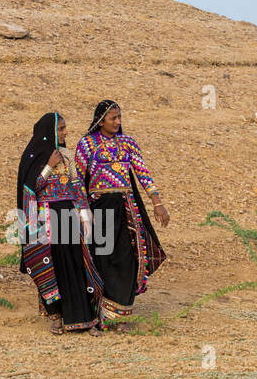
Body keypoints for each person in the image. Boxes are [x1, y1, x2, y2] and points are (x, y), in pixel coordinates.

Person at [74, 100, 168, 330]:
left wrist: (157, 203)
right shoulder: (87, 144)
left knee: (128, 259)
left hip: (126, 209)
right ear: (100, 120)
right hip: (99, 209)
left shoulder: (128, 143)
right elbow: (77, 180)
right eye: (112, 118)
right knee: (102, 259)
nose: (117, 122)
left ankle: (122, 316)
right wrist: (83, 211)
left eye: (119, 118)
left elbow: (143, 173)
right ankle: (101, 315)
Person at [16, 112, 103, 334]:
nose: (65, 132)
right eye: (61, 129)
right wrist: (48, 165)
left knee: (76, 262)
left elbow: (76, 186)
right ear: (49, 133)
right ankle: (56, 316)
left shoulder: (67, 155)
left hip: (69, 216)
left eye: (65, 128)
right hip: (46, 219)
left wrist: (85, 212)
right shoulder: (34, 156)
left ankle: (86, 318)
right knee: (53, 265)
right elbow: (30, 188)